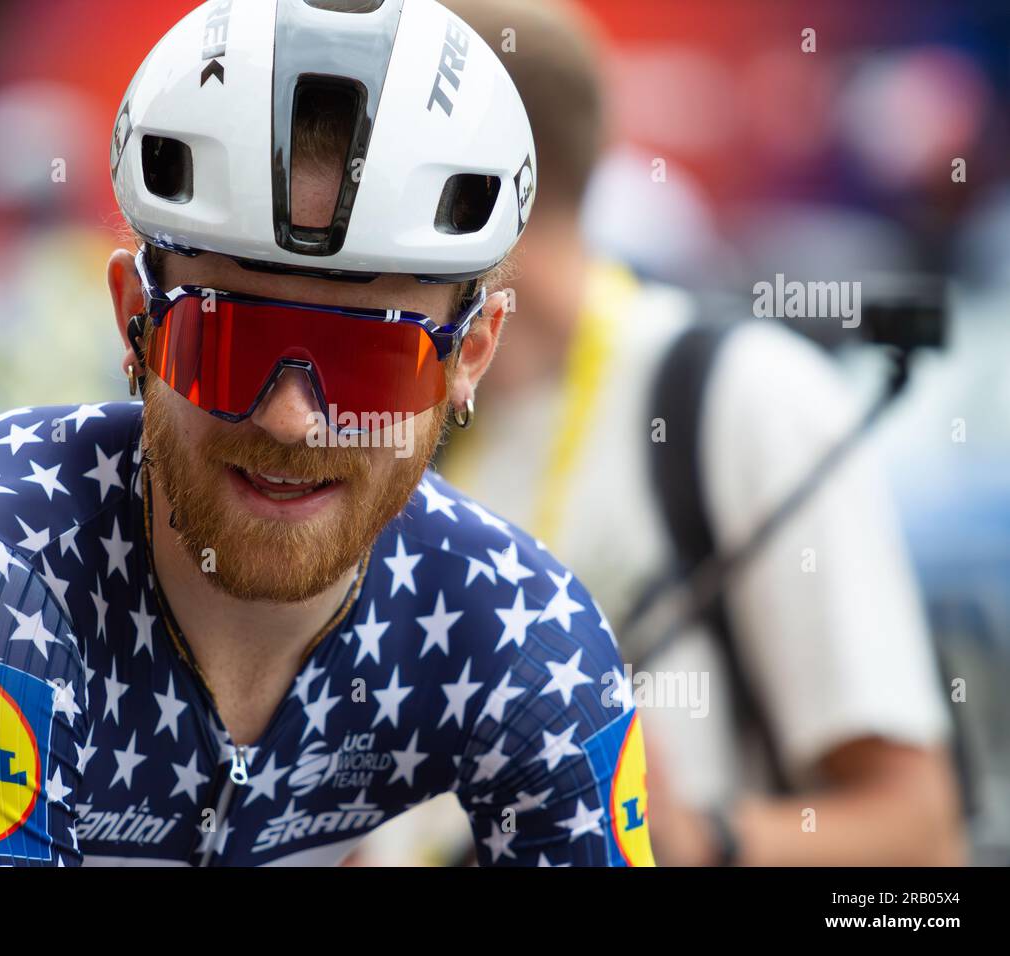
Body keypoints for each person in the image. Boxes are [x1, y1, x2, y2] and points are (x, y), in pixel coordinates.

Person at [0, 0, 653, 867]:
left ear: (473, 355)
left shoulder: (525, 632)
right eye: (228, 341)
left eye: (371, 359)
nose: (290, 420)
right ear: (135, 321)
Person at [352, 0, 964, 867]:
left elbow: (924, 839)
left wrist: (694, 842)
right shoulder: (408, 422)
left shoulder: (744, 393)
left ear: (465, 185)